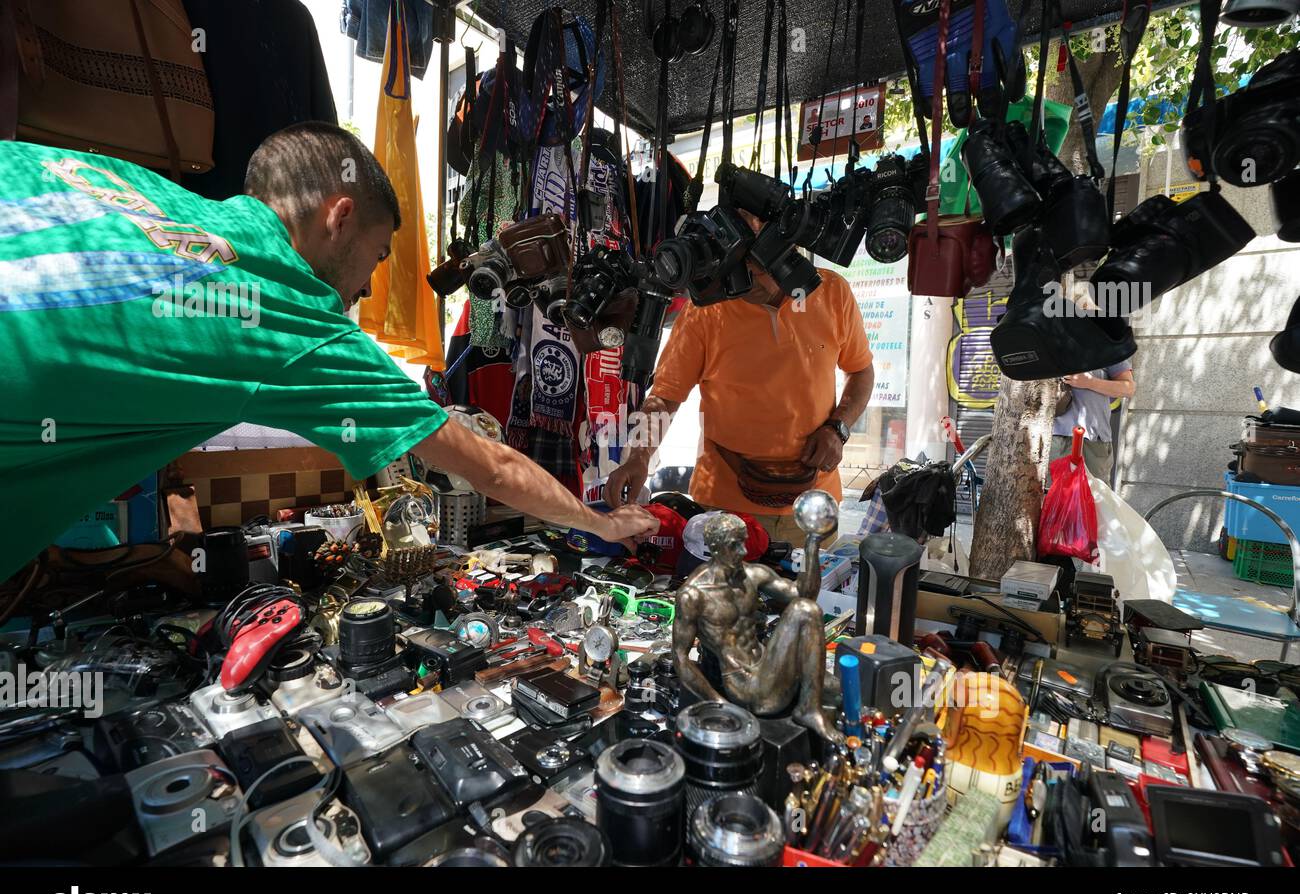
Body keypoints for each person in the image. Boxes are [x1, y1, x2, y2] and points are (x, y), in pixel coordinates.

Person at [0, 124, 655, 582]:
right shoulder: (287, 316)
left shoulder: (102, 175)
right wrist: (597, 523)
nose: (367, 286)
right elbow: (491, 469)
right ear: (339, 217)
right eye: (374, 257)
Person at [604, 215, 875, 542]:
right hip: (725, 508)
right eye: (733, 268)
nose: (743, 281)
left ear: (782, 252)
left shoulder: (832, 293)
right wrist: (638, 456)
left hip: (813, 506)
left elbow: (860, 370)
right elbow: (665, 396)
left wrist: (838, 428)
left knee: (810, 594)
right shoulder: (706, 309)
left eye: (752, 266)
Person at [672, 512, 841, 742]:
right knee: (805, 610)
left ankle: (810, 709)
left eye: (743, 542)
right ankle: (808, 710)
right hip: (745, 685)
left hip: (766, 664)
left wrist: (812, 543)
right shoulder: (693, 595)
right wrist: (718, 703)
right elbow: (680, 658)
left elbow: (805, 593)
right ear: (715, 547)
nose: (743, 551)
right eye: (734, 545)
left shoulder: (752, 574)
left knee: (836, 690)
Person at [1052, 363, 1136, 486]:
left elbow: (1128, 389)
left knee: (1093, 500)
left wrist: (1089, 382)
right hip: (1050, 439)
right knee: (1049, 500)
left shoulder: (1107, 345)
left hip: (1093, 442)